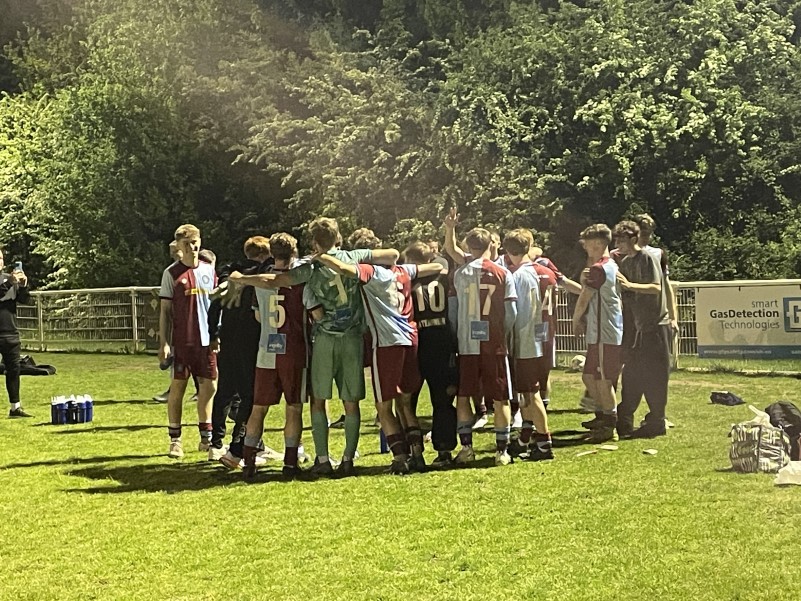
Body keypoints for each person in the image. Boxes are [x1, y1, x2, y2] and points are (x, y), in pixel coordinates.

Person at [230, 218, 398, 477]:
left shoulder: (310, 268)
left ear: (315, 242)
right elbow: (393, 254)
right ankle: (347, 459)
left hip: (321, 341)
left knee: (317, 401)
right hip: (352, 339)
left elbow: (276, 281)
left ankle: (321, 458)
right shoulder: (354, 255)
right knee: (350, 403)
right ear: (338, 236)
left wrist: (243, 278)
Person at [314, 244, 443, 474]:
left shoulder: (372, 272)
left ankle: (399, 457)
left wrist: (321, 256)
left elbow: (344, 268)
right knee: (405, 402)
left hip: (386, 343)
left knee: (383, 406)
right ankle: (417, 454)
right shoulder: (403, 271)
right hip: (411, 339)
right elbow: (435, 267)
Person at [233, 233, 312, 480]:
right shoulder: (300, 278)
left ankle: (248, 463)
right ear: (294, 252)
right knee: (294, 407)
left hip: (266, 349)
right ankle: (290, 463)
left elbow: (258, 316)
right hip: (293, 350)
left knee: (258, 409)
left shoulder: (260, 282)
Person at [446, 218, 518, 467]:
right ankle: (502, 451)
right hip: (494, 344)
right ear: (491, 244)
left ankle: (466, 448)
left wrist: (458, 335)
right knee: (500, 398)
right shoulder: (503, 272)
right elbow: (512, 313)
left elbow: (453, 312)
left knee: (464, 396)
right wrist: (502, 335)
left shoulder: (460, 273)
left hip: (467, 345)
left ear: (469, 246)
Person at [209, 237, 271, 466]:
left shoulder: (230, 274)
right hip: (251, 340)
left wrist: (212, 333)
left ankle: (215, 443)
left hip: (227, 337)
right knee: (250, 395)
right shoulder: (258, 276)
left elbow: (214, 302)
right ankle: (239, 445)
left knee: (224, 391)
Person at [158, 224, 218, 459]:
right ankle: (175, 440)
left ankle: (206, 437)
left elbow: (216, 307)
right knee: (178, 388)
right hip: (183, 341)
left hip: (207, 341)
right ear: (179, 247)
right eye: (187, 244)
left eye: (195, 242)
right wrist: (163, 342)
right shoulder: (172, 274)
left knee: (209, 386)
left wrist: (217, 334)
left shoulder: (209, 270)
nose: (192, 247)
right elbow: (164, 311)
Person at [612, 221, 671, 438]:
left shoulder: (647, 257)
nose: (618, 245)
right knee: (632, 374)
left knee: (655, 376)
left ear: (634, 239)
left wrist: (628, 285)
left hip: (655, 326)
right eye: (616, 240)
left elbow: (656, 288)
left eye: (622, 240)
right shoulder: (624, 261)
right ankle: (625, 416)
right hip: (637, 328)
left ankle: (657, 420)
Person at [501, 230, 555, 461]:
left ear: (506, 250)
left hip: (527, 341)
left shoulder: (518, 275)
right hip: (545, 338)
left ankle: (544, 443)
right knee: (531, 394)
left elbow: (518, 311)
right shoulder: (546, 271)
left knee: (530, 394)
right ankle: (525, 437)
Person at [405, 241, 459, 468]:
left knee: (409, 398)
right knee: (442, 397)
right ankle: (444, 448)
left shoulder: (409, 279)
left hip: (418, 338)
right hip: (442, 338)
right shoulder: (444, 277)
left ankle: (412, 449)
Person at [572, 224, 623, 443]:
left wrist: (576, 318)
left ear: (599, 244)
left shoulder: (600, 268)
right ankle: (602, 415)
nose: (586, 249)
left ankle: (609, 424)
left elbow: (585, 296)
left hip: (605, 332)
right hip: (599, 332)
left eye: (589, 244)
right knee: (589, 375)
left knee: (603, 380)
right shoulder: (608, 265)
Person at [0, 251, 31, 418]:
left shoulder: (9, 278)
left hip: (10, 333)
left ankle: (15, 408)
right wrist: (8, 284)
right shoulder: (8, 281)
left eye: (1, 258)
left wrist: (24, 285)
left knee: (14, 370)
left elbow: (25, 300)